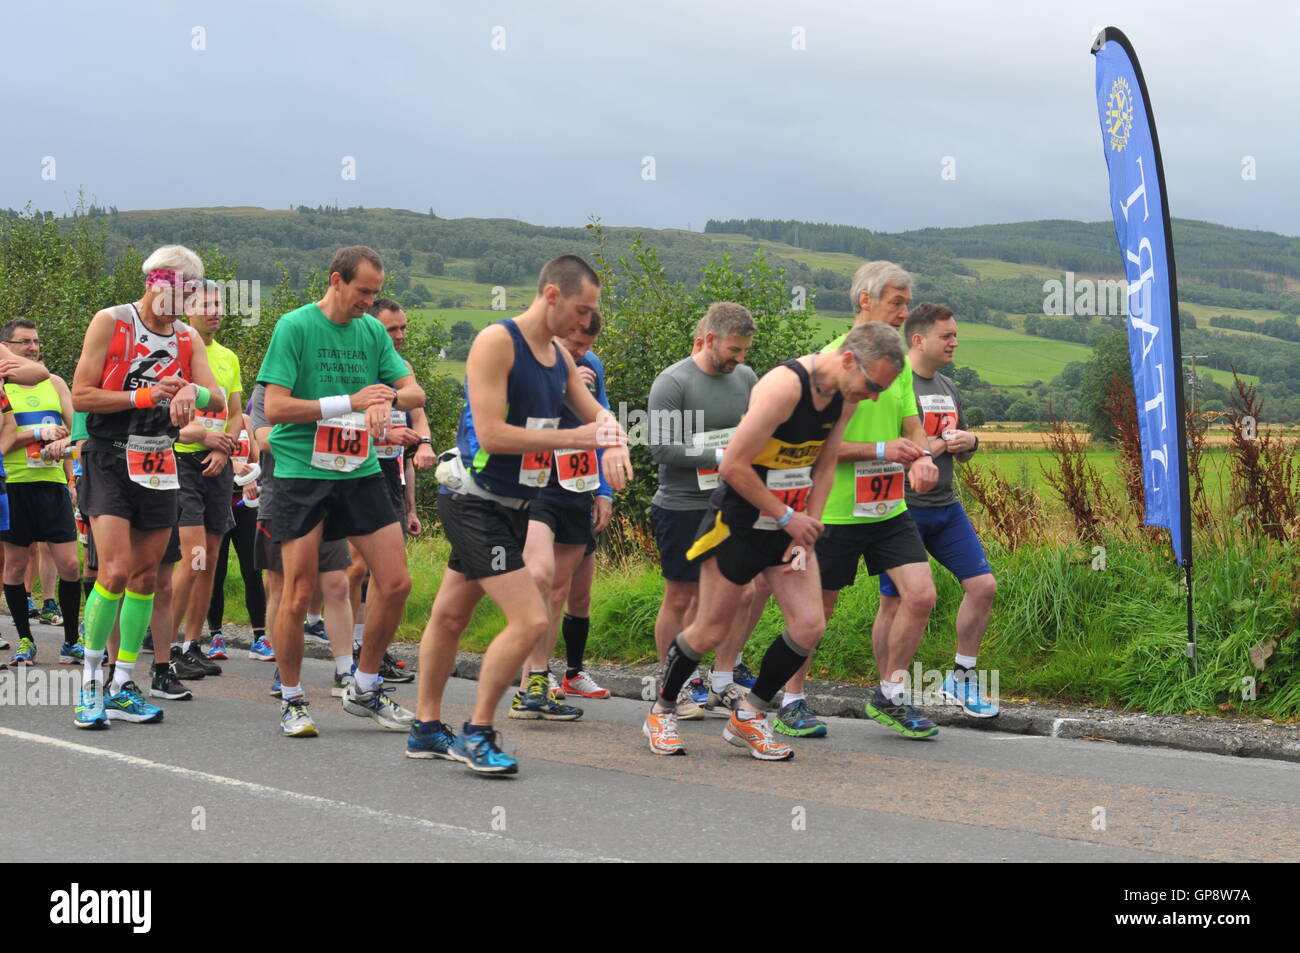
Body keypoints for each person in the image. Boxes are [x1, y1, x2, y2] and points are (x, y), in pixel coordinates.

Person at [408, 255, 631, 775]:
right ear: (551, 294)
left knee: (449, 615)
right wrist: (575, 437)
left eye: (592, 312)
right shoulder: (497, 342)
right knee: (530, 618)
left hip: (516, 503)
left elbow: (597, 412)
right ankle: (477, 733)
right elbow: (492, 436)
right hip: (475, 498)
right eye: (581, 310)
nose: (586, 323)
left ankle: (424, 728)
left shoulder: (558, 356)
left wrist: (614, 439)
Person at [644, 325, 896, 759]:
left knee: (809, 624)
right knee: (710, 629)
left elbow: (825, 462)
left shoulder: (845, 397)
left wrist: (808, 528)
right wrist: (785, 515)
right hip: (739, 521)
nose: (873, 396)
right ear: (851, 360)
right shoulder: (783, 386)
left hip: (790, 524)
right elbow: (734, 466)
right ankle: (661, 710)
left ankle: (751, 715)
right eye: (874, 386)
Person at [258, 245, 423, 737]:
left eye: (375, 294)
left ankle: (365, 685)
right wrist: (351, 401)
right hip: (300, 470)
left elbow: (414, 391)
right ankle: (291, 699)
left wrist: (387, 396)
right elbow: (278, 407)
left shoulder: (372, 331)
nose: (369, 304)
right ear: (336, 280)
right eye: (362, 292)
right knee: (298, 591)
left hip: (358, 469)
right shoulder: (295, 326)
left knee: (395, 582)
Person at [786, 260, 943, 741]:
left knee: (921, 595)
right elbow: (817, 446)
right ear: (865, 301)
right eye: (897, 302)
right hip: (834, 509)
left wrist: (917, 458)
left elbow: (911, 424)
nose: (904, 312)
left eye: (906, 303)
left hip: (888, 508)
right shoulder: (834, 360)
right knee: (817, 614)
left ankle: (890, 694)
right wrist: (881, 450)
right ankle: (791, 699)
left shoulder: (894, 362)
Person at [70, 244, 225, 728]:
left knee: (144, 577)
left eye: (189, 292)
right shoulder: (111, 321)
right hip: (110, 456)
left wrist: (186, 390)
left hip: (158, 458)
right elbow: (81, 394)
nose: (181, 301)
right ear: (154, 283)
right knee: (113, 571)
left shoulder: (186, 340)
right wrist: (142, 393)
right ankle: (90, 684)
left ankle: (121, 683)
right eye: (176, 290)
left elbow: (215, 398)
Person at [648, 303, 760, 719]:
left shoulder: (746, 378)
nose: (740, 359)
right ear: (709, 339)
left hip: (730, 503)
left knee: (743, 593)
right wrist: (723, 453)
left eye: (745, 350)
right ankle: (670, 683)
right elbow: (661, 448)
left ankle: (722, 680)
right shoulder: (672, 382)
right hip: (682, 504)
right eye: (734, 349)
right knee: (681, 595)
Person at [887, 303, 997, 716]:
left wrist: (970, 442)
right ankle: (891, 690)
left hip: (946, 506)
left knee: (983, 586)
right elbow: (888, 450)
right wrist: (936, 446)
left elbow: (960, 445)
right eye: (946, 336)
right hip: (902, 509)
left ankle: (962, 679)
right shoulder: (896, 386)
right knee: (895, 603)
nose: (954, 342)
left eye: (955, 335)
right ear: (918, 340)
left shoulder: (948, 387)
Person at [511, 307, 612, 717]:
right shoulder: (527, 358)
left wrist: (604, 492)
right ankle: (527, 682)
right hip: (534, 484)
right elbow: (510, 418)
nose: (581, 353)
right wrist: (561, 389)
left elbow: (603, 424)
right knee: (537, 575)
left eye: (587, 346)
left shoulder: (591, 365)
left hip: (577, 485)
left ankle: (541, 678)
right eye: (575, 344)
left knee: (558, 592)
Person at [248, 382, 357, 701]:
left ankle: (345, 670)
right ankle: (284, 668)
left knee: (337, 584)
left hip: (329, 494)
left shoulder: (326, 380)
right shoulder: (267, 389)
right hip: (281, 497)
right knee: (283, 588)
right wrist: (314, 426)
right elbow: (265, 441)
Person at [344, 298, 435, 683]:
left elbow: (418, 411)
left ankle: (371, 650)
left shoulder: (402, 369)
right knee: (356, 567)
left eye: (403, 329)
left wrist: (425, 443)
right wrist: (378, 430)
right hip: (353, 469)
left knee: (389, 574)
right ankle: (346, 650)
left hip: (391, 472)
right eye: (390, 329)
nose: (398, 336)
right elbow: (335, 419)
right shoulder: (354, 364)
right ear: (370, 328)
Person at [169, 280, 243, 681]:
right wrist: (202, 437)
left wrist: (222, 447)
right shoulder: (173, 349)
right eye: (207, 305)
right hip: (181, 463)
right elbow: (166, 418)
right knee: (193, 557)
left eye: (220, 305)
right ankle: (167, 645)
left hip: (219, 462)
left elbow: (234, 412)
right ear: (187, 309)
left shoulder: (228, 357)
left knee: (211, 559)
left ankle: (190, 645)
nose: (215, 311)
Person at [0, 320, 82, 666]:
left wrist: (63, 444)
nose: (33, 348)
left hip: (51, 484)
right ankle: (24, 640)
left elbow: (78, 431)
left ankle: (71, 641)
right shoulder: (4, 386)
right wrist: (36, 432)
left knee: (70, 564)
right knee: (16, 566)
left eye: (36, 342)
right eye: (24, 343)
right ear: (6, 347)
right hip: (14, 483)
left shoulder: (55, 382)